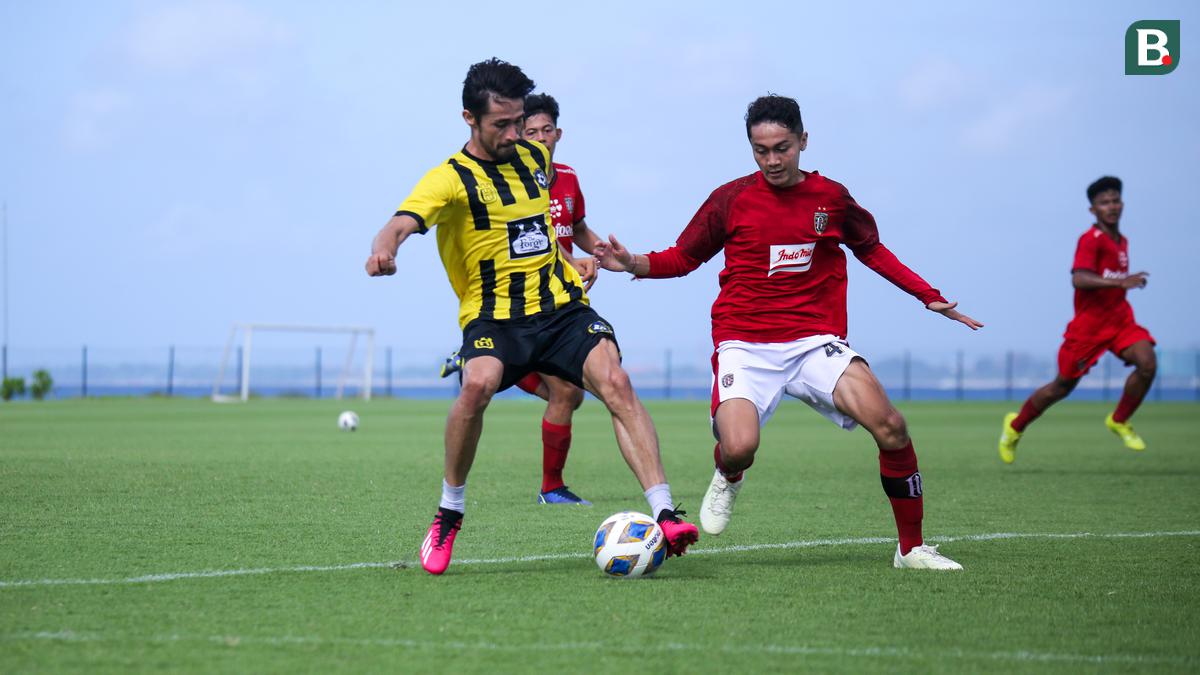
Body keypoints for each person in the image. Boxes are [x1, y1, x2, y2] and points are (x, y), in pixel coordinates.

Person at [594, 94, 982, 571]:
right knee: (739, 445)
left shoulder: (831, 198)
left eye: (782, 148)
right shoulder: (730, 199)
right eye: (761, 150)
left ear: (803, 141)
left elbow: (872, 249)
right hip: (745, 345)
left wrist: (928, 295)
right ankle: (728, 472)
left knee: (892, 426)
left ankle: (911, 548)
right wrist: (632, 262)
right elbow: (683, 257)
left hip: (814, 342)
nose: (773, 160)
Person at [365, 59, 698, 575]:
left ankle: (665, 513)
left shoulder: (534, 160)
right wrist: (384, 251)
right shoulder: (448, 180)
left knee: (617, 382)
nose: (516, 133)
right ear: (469, 120)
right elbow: (398, 223)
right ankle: (448, 512)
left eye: (520, 121)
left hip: (559, 308)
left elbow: (534, 236)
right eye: (502, 124)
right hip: (494, 318)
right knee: (476, 387)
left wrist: (573, 261)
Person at [442, 93, 604, 506]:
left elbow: (577, 226)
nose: (540, 138)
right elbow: (535, 240)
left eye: (546, 130)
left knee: (570, 395)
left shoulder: (567, 176)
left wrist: (599, 251)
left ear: (559, 133)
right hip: (517, 308)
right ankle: (551, 487)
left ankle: (481, 368)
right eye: (530, 131)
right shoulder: (513, 180)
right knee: (567, 394)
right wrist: (572, 262)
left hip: (559, 304)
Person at [999, 177, 1155, 463]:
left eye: (1115, 200)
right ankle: (1015, 426)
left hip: (1120, 321)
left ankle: (1119, 420)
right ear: (1093, 210)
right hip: (1089, 328)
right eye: (1104, 202)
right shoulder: (1090, 239)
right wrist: (1121, 283)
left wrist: (1121, 285)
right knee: (1062, 387)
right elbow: (1079, 278)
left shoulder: (1122, 241)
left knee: (1147, 363)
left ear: (1122, 204)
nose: (1111, 206)